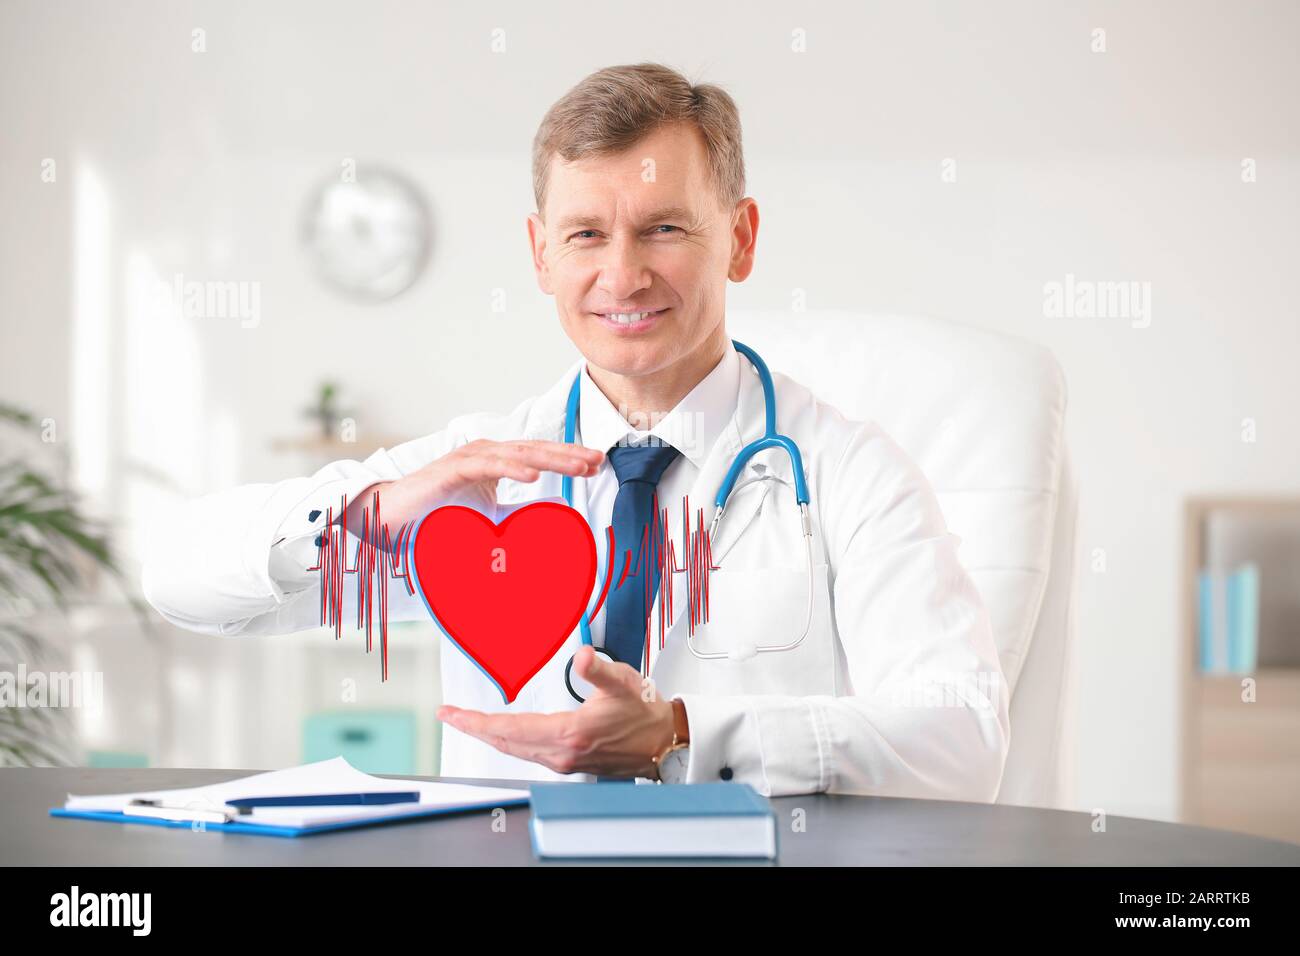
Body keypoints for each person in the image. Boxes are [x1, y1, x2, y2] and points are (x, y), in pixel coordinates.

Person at [142, 62, 1010, 799]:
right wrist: (373, 508)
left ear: (740, 239)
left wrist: (683, 736)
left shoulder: (849, 471)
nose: (621, 276)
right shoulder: (474, 476)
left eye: (664, 228)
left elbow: (963, 737)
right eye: (585, 234)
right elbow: (177, 578)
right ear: (540, 254)